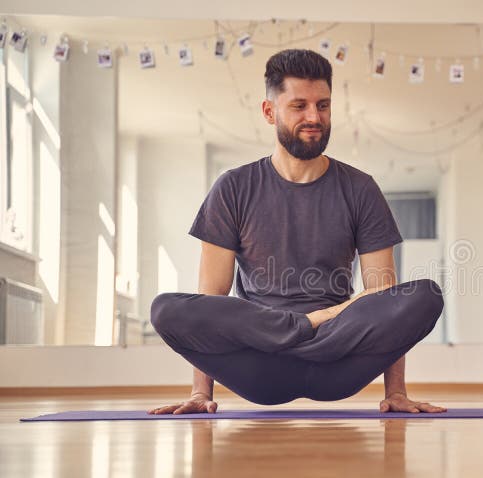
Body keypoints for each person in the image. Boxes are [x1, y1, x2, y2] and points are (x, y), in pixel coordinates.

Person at [148, 49, 446, 415]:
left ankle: (308, 325)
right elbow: (211, 299)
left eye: (323, 105)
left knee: (424, 295)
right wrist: (200, 393)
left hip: (338, 360)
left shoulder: (360, 189)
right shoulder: (233, 188)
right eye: (299, 105)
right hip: (260, 364)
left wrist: (396, 391)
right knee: (166, 309)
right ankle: (304, 324)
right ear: (270, 111)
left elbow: (382, 297)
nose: (314, 117)